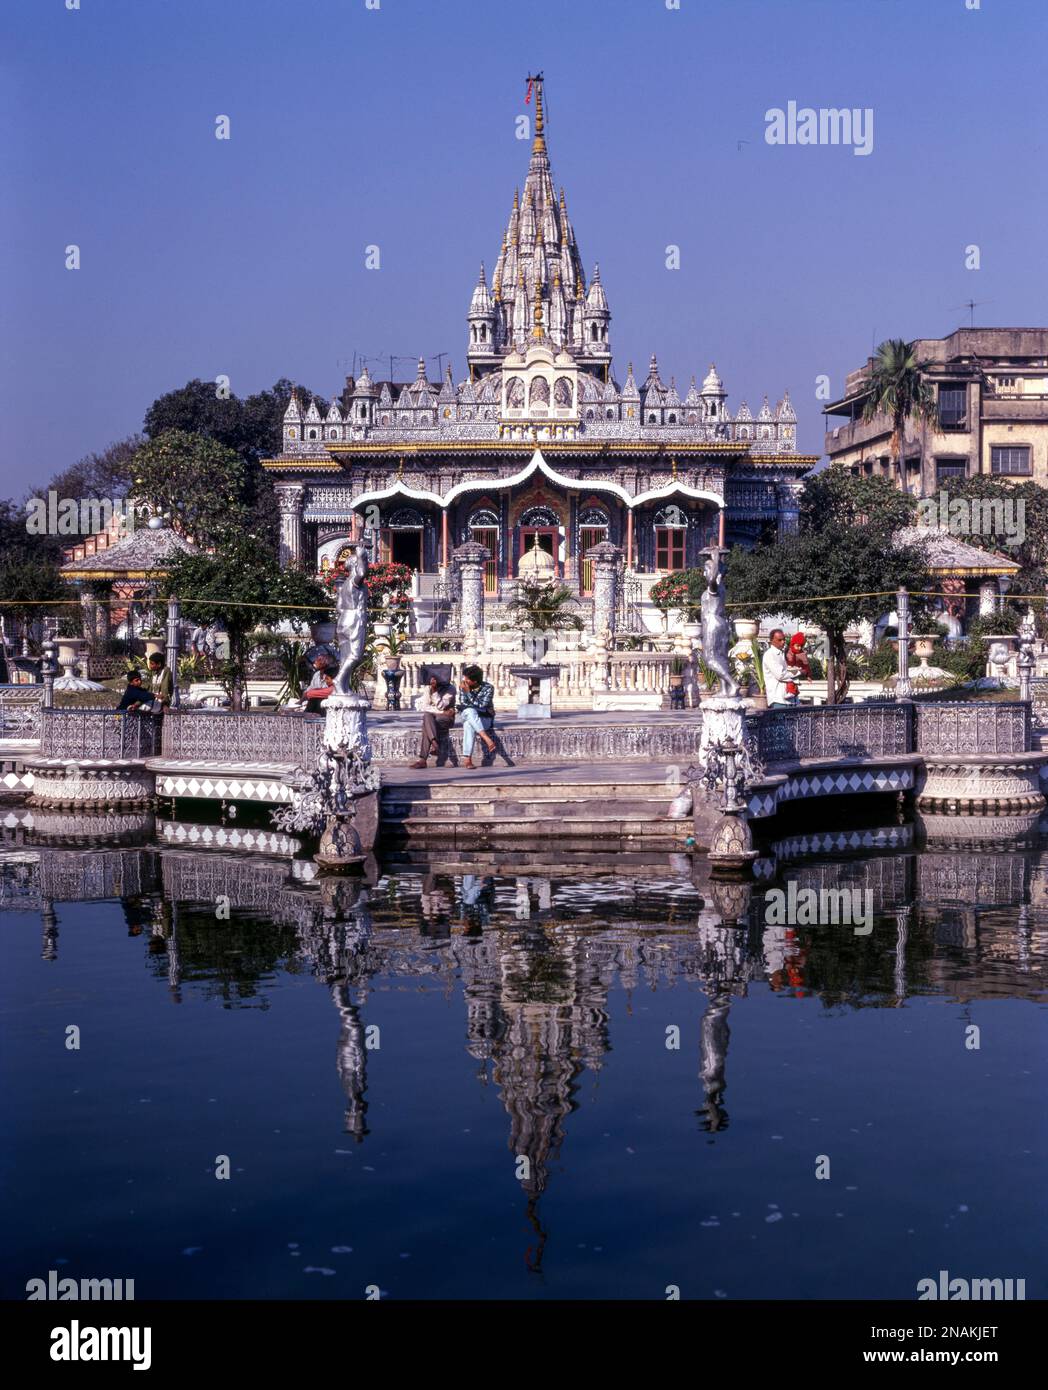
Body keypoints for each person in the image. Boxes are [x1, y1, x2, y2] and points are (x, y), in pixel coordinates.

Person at [410, 666, 455, 769]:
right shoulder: (428, 688)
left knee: (426, 724)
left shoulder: (450, 689)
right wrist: (442, 712)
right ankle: (435, 743)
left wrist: (434, 692)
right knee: (427, 717)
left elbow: (441, 705)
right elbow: (425, 707)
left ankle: (422, 759)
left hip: (446, 720)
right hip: (438, 716)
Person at [457, 664, 496, 769]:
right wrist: (466, 692)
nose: (464, 680)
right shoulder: (463, 686)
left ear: (475, 681)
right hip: (467, 714)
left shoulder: (488, 688)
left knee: (469, 724)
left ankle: (467, 759)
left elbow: (482, 705)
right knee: (469, 711)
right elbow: (463, 703)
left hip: (484, 718)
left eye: (467, 679)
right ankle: (485, 737)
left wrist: (468, 692)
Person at [761, 628, 791, 707]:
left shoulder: (781, 653)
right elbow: (780, 675)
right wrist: (798, 673)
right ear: (771, 641)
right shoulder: (770, 655)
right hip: (778, 699)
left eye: (784, 639)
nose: (783, 642)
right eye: (779, 640)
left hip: (787, 699)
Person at [785, 632, 811, 704]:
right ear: (792, 644)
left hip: (795, 670)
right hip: (789, 669)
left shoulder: (801, 653)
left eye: (801, 646)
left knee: (792, 680)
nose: (799, 648)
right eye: (797, 646)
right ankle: (793, 691)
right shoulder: (788, 651)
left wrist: (808, 675)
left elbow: (806, 665)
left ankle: (792, 692)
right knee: (790, 680)